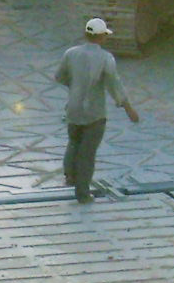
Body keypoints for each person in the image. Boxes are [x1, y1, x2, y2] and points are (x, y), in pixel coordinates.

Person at [55, 17, 140, 203]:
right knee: (88, 154)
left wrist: (76, 87)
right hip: (94, 113)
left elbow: (60, 76)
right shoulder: (105, 58)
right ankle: (83, 194)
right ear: (102, 37)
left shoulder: (70, 53)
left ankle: (70, 175)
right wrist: (129, 109)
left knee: (74, 143)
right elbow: (114, 85)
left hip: (73, 109)